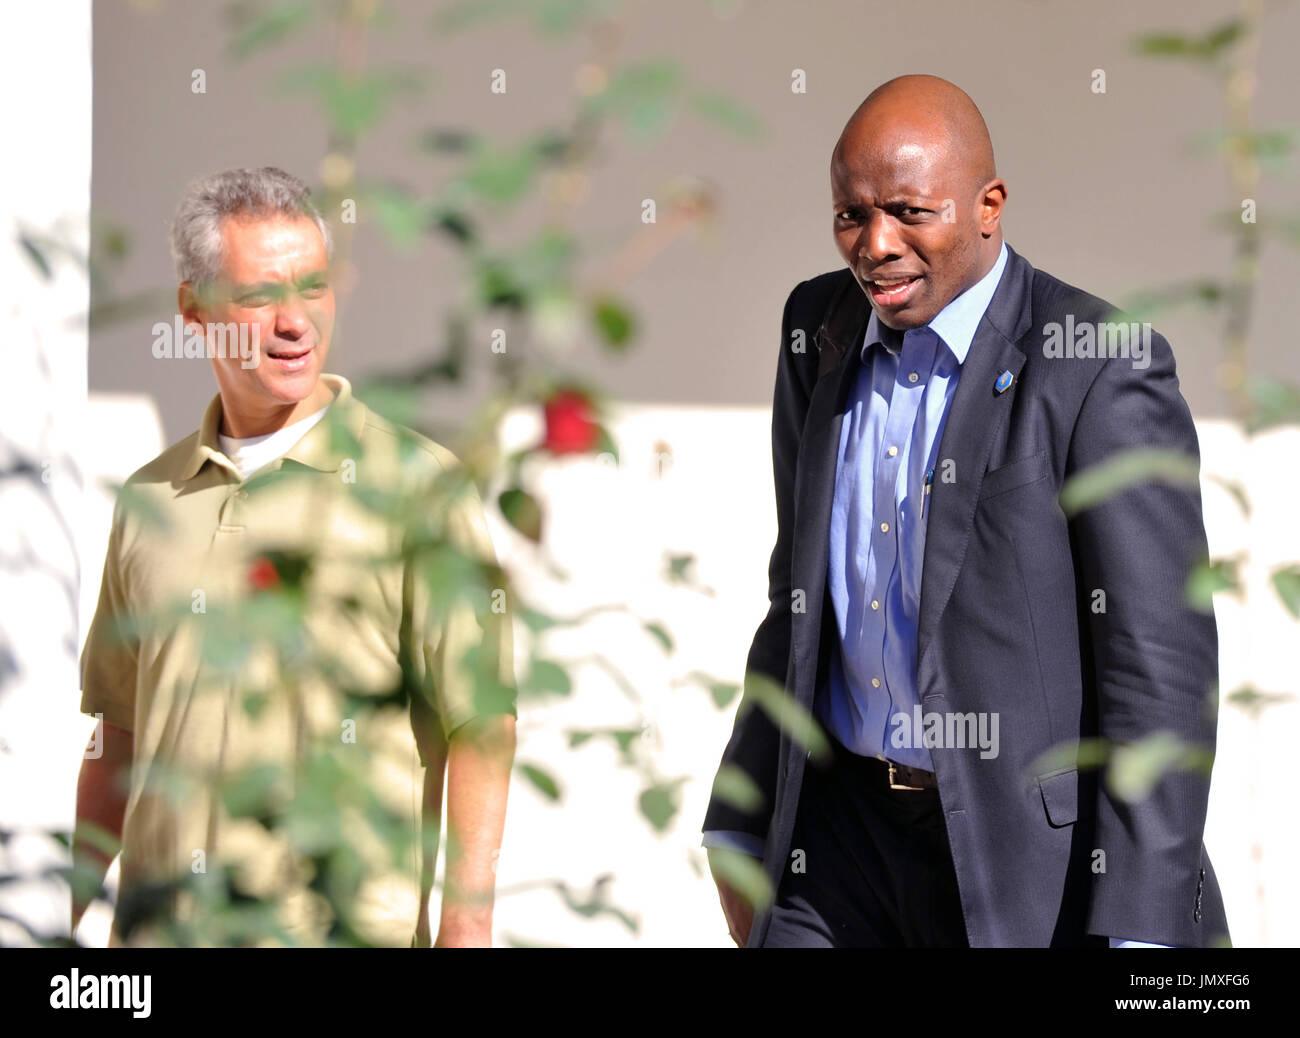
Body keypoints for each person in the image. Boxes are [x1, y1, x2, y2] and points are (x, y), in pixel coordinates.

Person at [703, 75, 1230, 948]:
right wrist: (740, 814)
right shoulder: (818, 327)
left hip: (1020, 865)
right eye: (850, 215)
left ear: (989, 205)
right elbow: (794, 596)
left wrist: (1140, 930)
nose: (874, 245)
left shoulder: (1099, 365)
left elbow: (1160, 666)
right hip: (834, 846)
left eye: (909, 212)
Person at [72, 167, 516, 947]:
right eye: (259, 297)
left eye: (313, 288)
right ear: (195, 312)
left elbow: (483, 723)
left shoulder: (418, 488)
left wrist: (466, 925)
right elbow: (121, 735)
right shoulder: (148, 499)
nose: (295, 322)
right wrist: (56, 920)